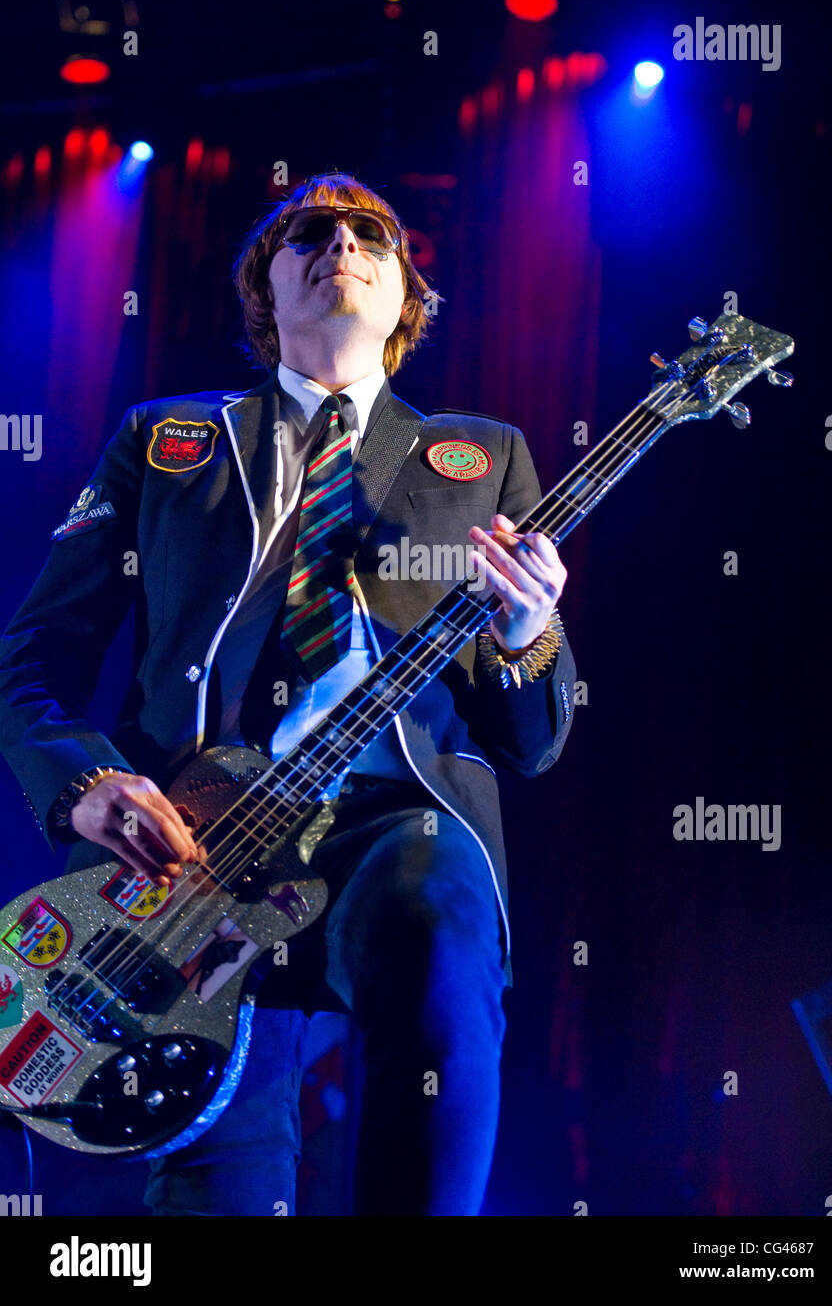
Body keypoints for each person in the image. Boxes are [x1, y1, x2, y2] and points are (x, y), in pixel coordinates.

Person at [0, 170, 577, 1216]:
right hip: (191, 842)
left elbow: (530, 741)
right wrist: (85, 785)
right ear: (264, 286)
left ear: (406, 296)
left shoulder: (485, 457)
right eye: (309, 230)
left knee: (438, 936)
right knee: (217, 1170)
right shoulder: (166, 440)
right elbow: (30, 658)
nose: (343, 242)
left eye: (373, 234)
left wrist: (527, 631)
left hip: (394, 820)